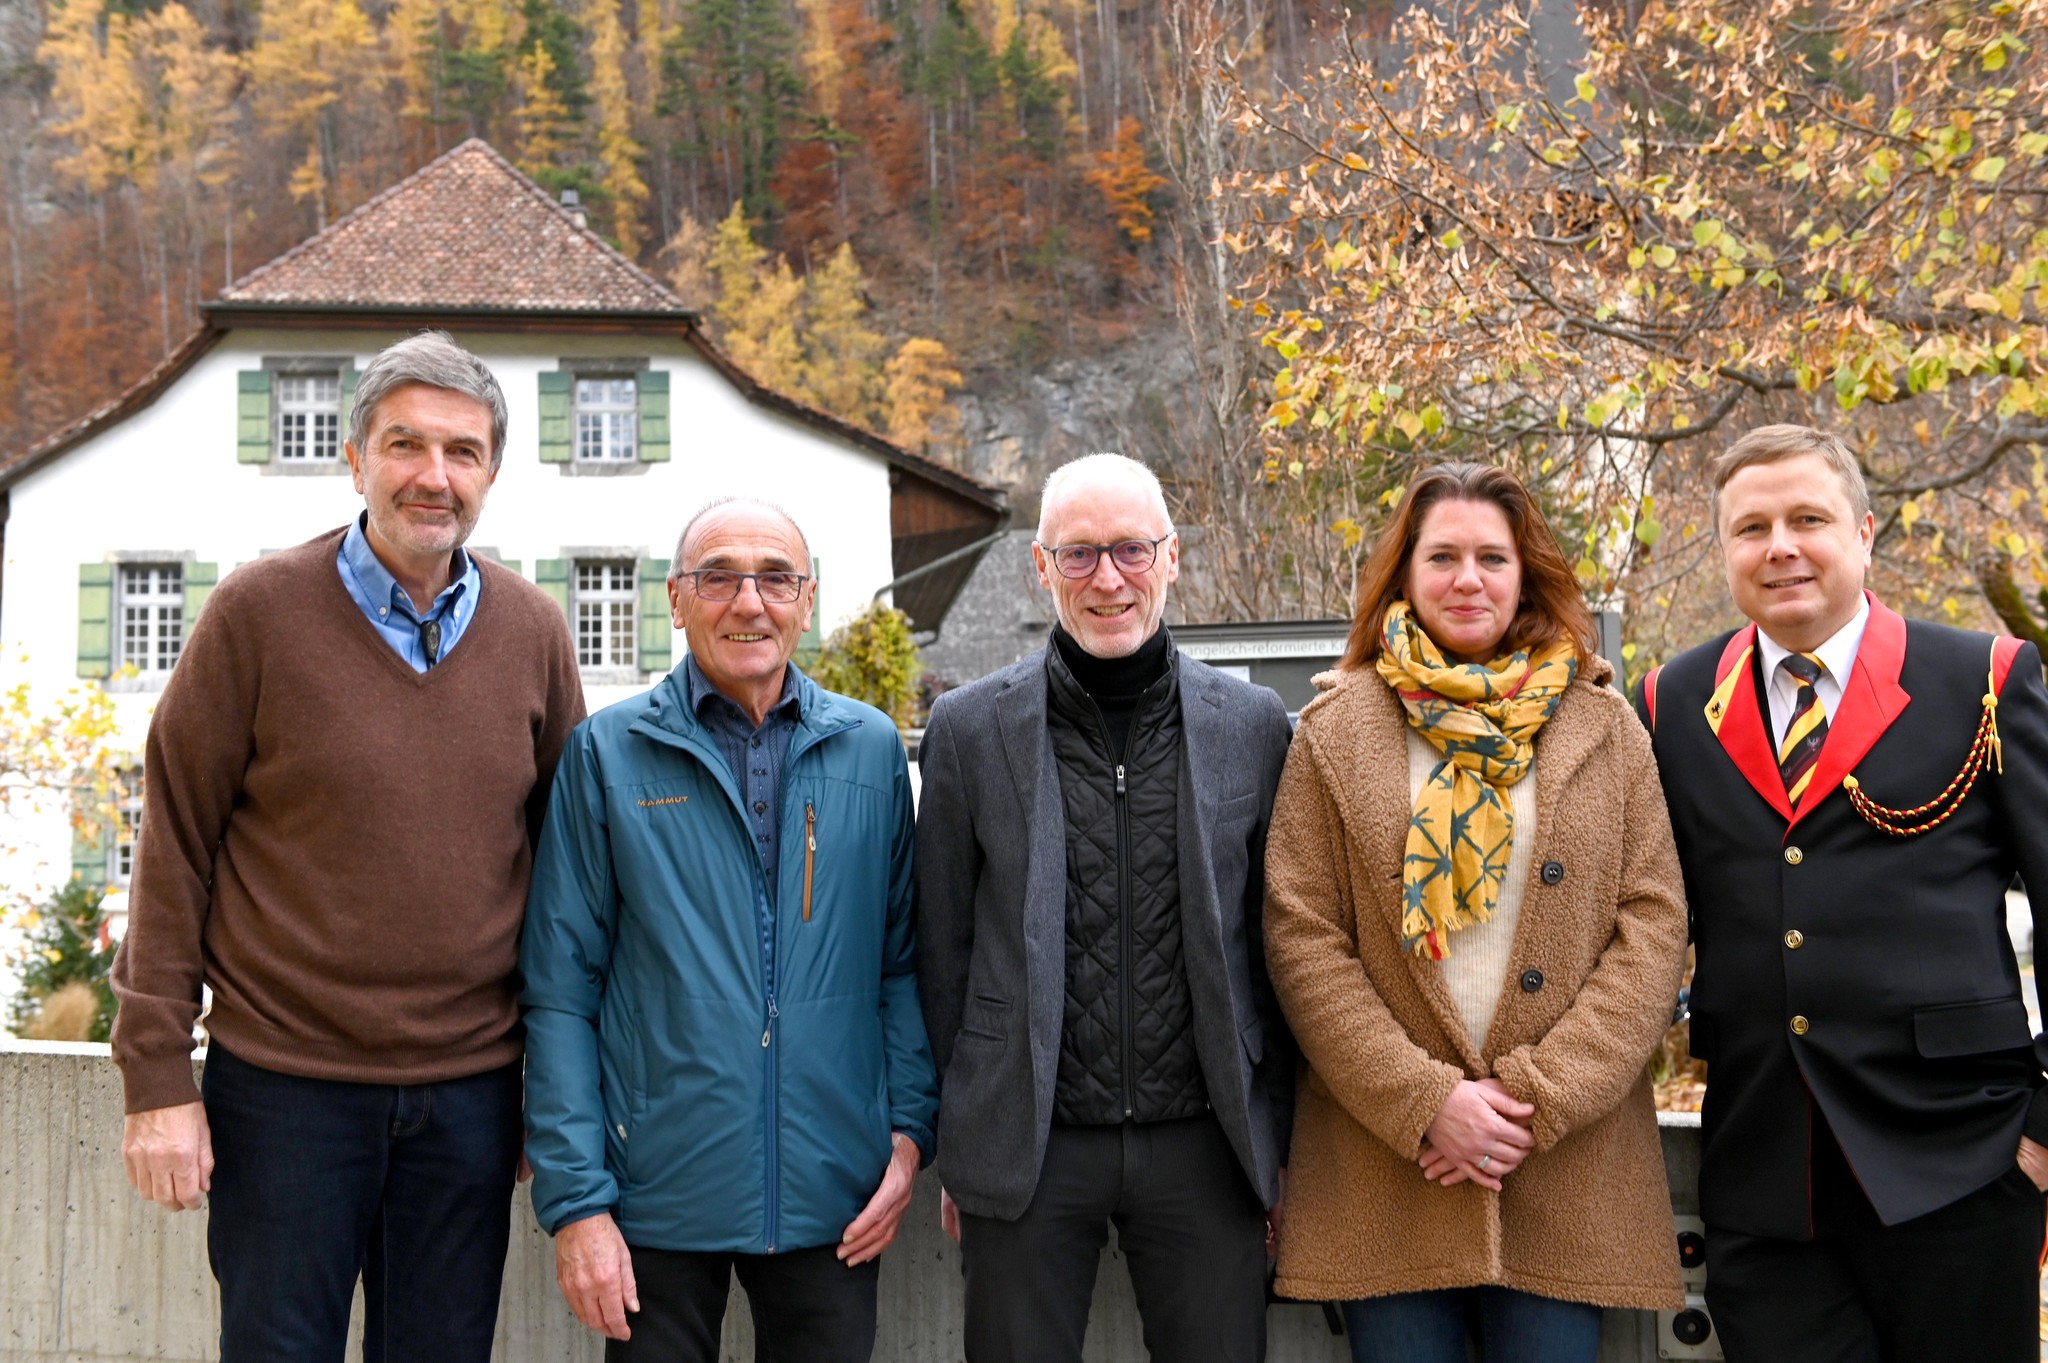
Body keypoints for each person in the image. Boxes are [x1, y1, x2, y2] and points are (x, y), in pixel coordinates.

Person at [110, 330, 586, 1360]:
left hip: (471, 1100)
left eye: (461, 452)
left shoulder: (536, 631)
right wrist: (156, 1076)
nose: (433, 475)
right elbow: (176, 842)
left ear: (492, 474)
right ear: (355, 458)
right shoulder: (256, 612)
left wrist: (555, 1095)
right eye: (404, 444)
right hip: (283, 1092)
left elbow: (566, 883)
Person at [1634, 424, 2048, 1363]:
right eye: (1751, 528)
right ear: (1726, 552)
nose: (1779, 546)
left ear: (1864, 533)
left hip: (1964, 1166)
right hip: (1769, 1181)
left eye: (1807, 518)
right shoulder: (1670, 702)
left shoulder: (1983, 678)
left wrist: (2041, 1139)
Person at [1263, 462, 1688, 1363]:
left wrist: (1531, 1100)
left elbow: (1652, 925)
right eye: (1443, 555)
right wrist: (1427, 1101)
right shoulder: (1332, 731)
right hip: (1393, 1163)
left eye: (1492, 557)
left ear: (1525, 573)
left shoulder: (1605, 727)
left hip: (1562, 1163)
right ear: (1404, 574)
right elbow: (1301, 934)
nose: (1468, 578)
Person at [520, 497, 939, 1362]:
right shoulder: (606, 754)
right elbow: (562, 993)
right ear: (676, 599)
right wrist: (578, 1203)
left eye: (775, 577)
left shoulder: (867, 749)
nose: (749, 603)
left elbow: (902, 965)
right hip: (654, 1196)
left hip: (836, 1188)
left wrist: (906, 1139)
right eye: (719, 577)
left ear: (807, 599)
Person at [915, 452, 1296, 1363]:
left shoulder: (1252, 726)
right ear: (1041, 567)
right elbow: (942, 948)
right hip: (1029, 1146)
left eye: (1131, 549)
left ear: (1170, 558)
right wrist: (963, 1134)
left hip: (1208, 1144)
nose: (1108, 578)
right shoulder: (969, 730)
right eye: (1079, 554)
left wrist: (1279, 1137)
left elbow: (1276, 947)